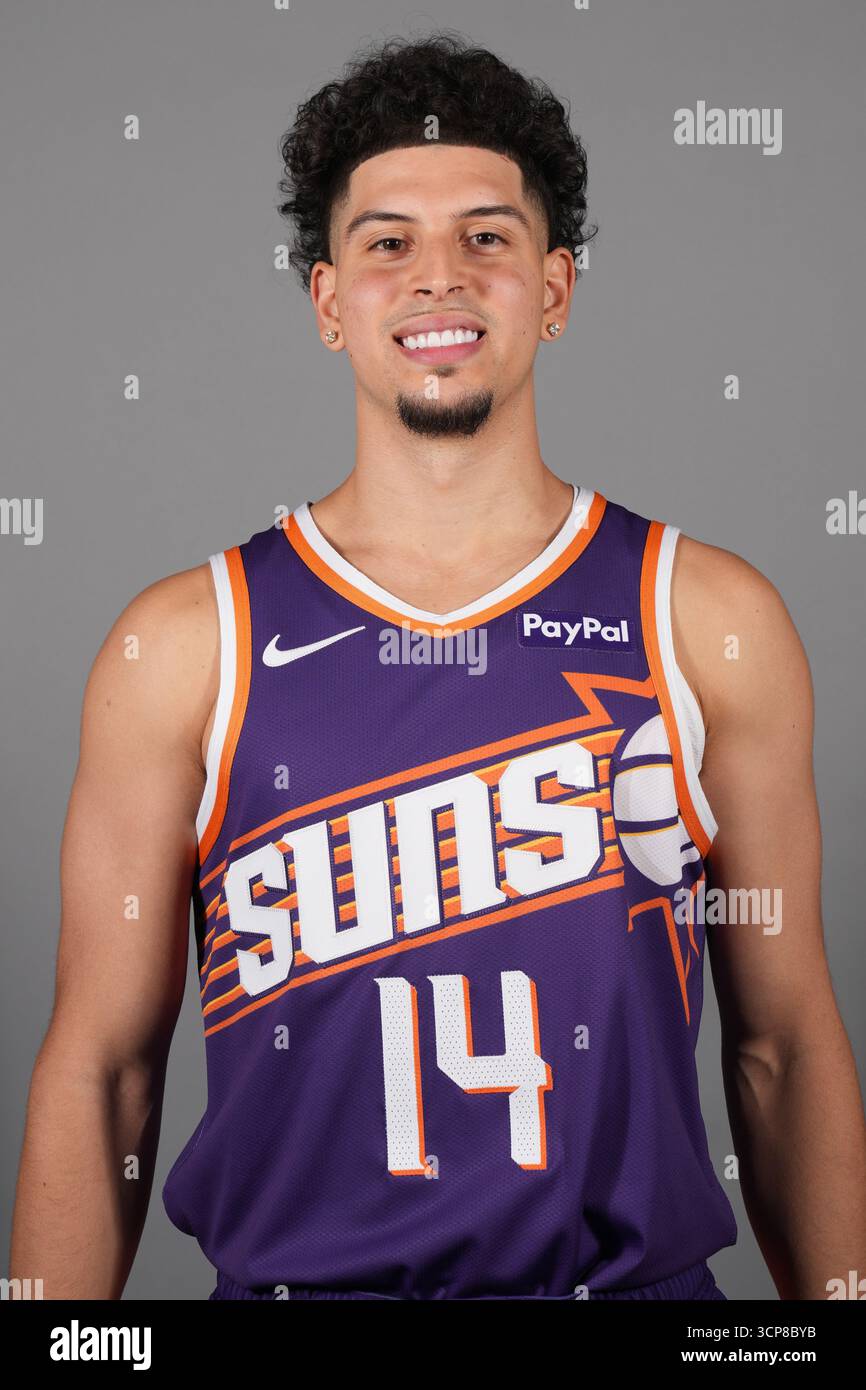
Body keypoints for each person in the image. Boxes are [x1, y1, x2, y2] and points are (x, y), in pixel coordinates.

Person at [11, 32, 866, 1301]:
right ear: (325, 300)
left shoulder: (702, 619)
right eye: (385, 243)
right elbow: (104, 1071)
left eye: (486, 235)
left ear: (555, 287)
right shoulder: (188, 643)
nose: (437, 279)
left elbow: (781, 1049)